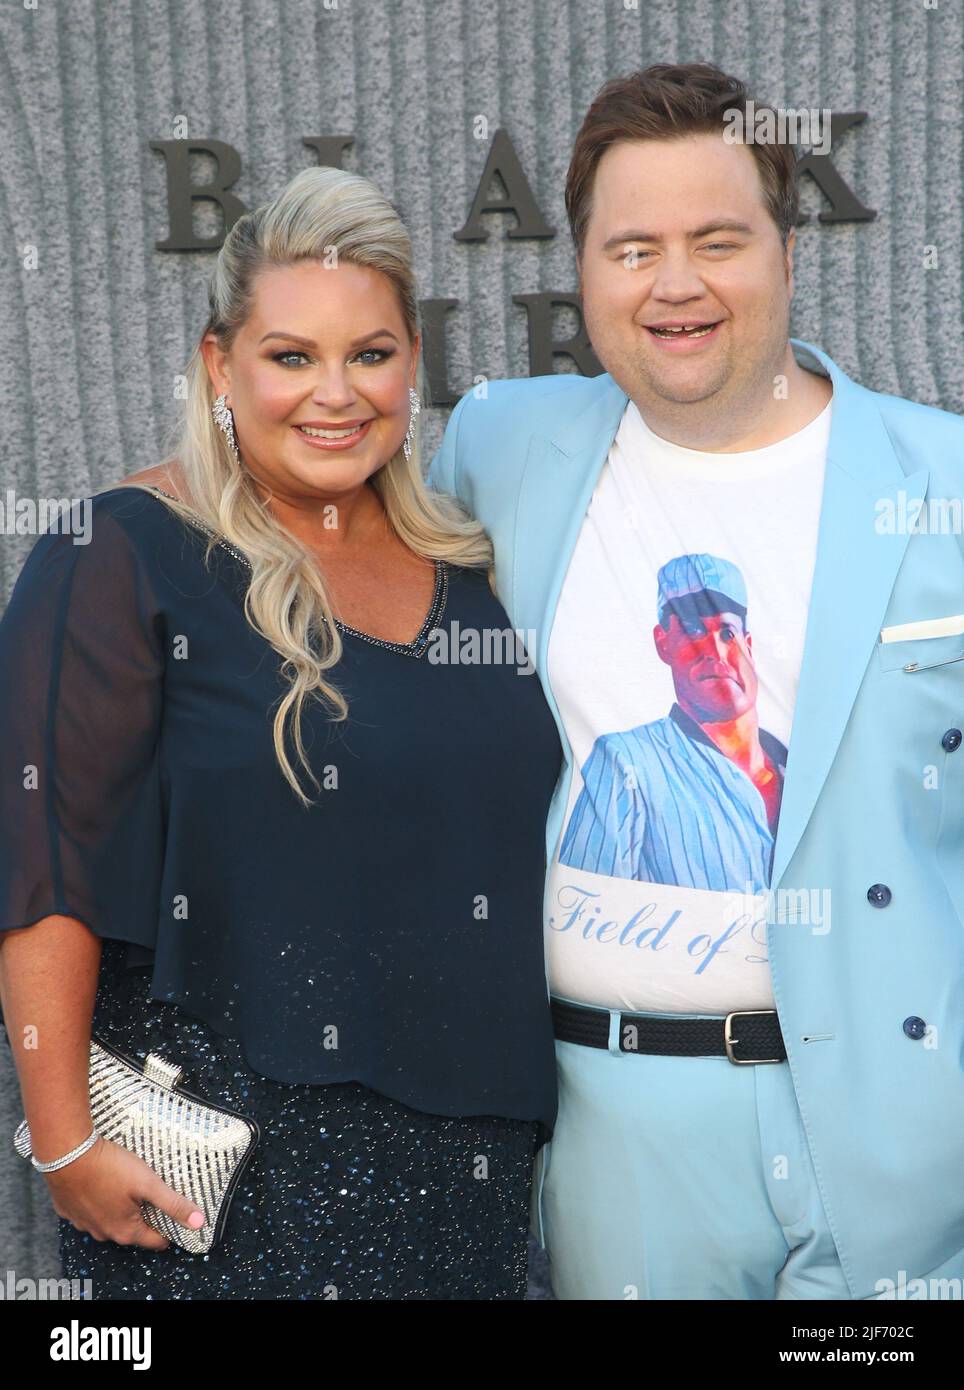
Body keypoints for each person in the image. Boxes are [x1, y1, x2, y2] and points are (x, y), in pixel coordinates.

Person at [429, 62, 964, 1299]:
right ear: (583, 271)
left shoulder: (941, 483)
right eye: (632, 248)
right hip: (622, 1143)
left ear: (784, 248)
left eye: (717, 239)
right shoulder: (500, 450)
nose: (675, 283)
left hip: (903, 1138)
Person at [0, 165, 562, 1300]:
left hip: (478, 1176)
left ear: (415, 362)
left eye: (370, 353)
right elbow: (41, 857)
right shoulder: (116, 551)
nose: (335, 392)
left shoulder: (469, 568)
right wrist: (60, 1139)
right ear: (220, 365)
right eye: (291, 356)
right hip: (226, 1181)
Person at [560, 551, 787, 890]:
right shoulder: (626, 762)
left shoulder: (799, 763)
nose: (716, 651)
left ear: (748, 646)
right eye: (693, 628)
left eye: (727, 632)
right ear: (662, 642)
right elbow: (583, 910)